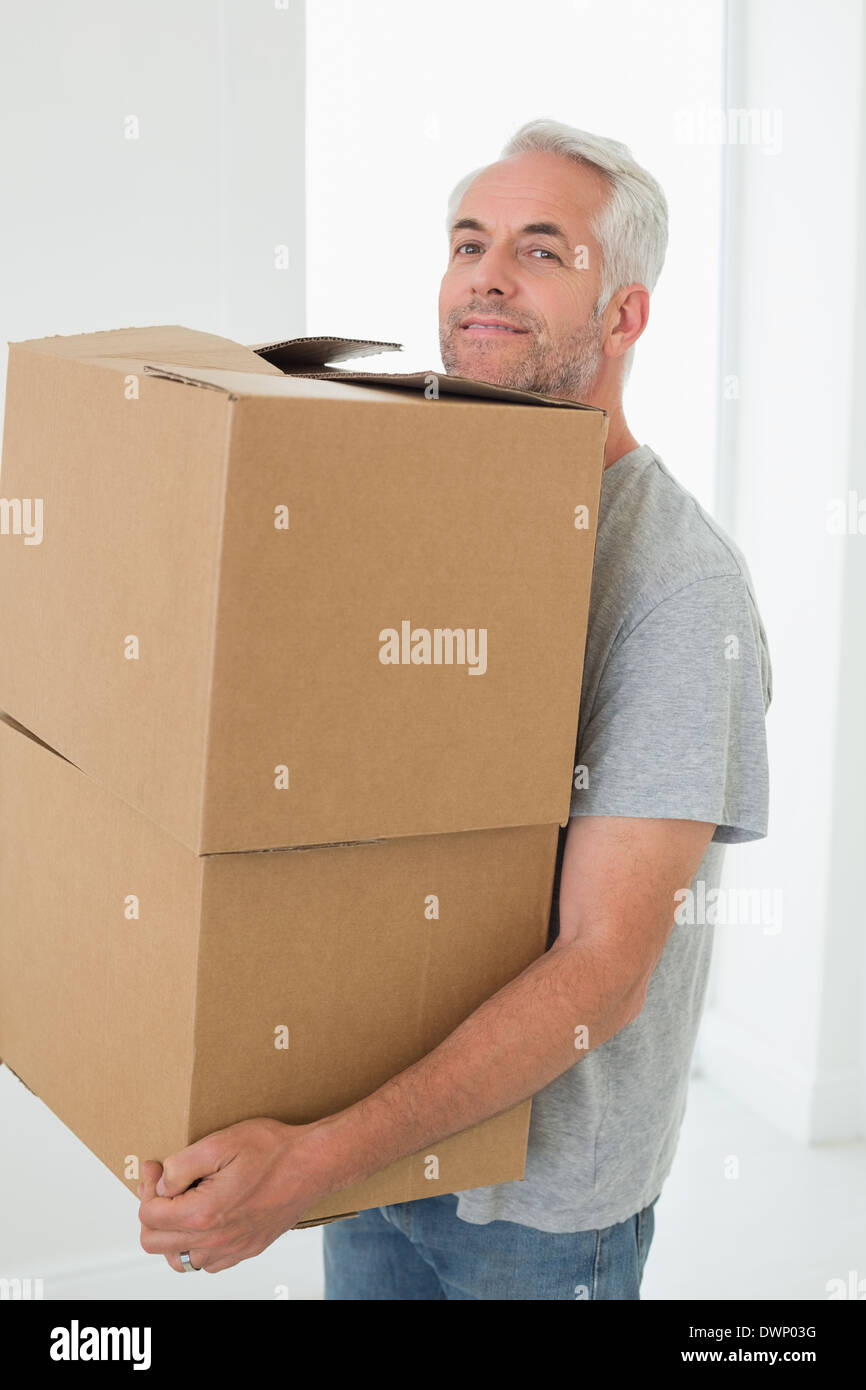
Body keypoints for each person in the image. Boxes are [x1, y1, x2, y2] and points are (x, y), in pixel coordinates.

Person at [138, 119, 772, 1300]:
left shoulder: (678, 587)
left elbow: (602, 966)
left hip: (532, 1213)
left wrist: (313, 1157)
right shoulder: (419, 516)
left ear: (625, 313)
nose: (485, 272)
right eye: (467, 241)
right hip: (379, 1154)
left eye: (541, 250)